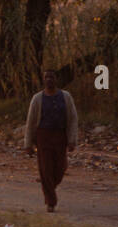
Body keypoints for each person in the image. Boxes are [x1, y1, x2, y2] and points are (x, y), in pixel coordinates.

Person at [24, 68, 79, 212]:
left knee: (61, 168)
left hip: (60, 137)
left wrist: (72, 139)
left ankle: (48, 186)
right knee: (46, 169)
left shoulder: (66, 96)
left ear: (56, 79)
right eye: (46, 77)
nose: (49, 79)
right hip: (43, 137)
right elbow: (30, 122)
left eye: (52, 77)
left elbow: (73, 119)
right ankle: (51, 202)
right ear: (43, 80)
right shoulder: (37, 98)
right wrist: (28, 144)